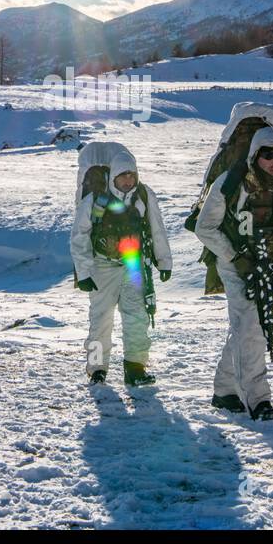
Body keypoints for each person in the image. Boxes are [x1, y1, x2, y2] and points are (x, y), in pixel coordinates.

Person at [194, 125, 273, 421]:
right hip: (235, 264)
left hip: (268, 264)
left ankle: (224, 390)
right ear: (255, 155)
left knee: (248, 326)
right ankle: (258, 400)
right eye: (268, 155)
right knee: (252, 327)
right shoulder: (231, 182)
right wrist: (235, 257)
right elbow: (204, 227)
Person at [70, 148, 171, 385]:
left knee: (137, 318)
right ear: (113, 176)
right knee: (100, 320)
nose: (128, 180)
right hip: (102, 266)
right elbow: (79, 235)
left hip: (133, 265)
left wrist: (164, 261)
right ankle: (96, 369)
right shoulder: (96, 199)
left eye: (132, 175)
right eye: (123, 175)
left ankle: (135, 369)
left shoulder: (144, 196)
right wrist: (83, 272)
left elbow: (157, 228)